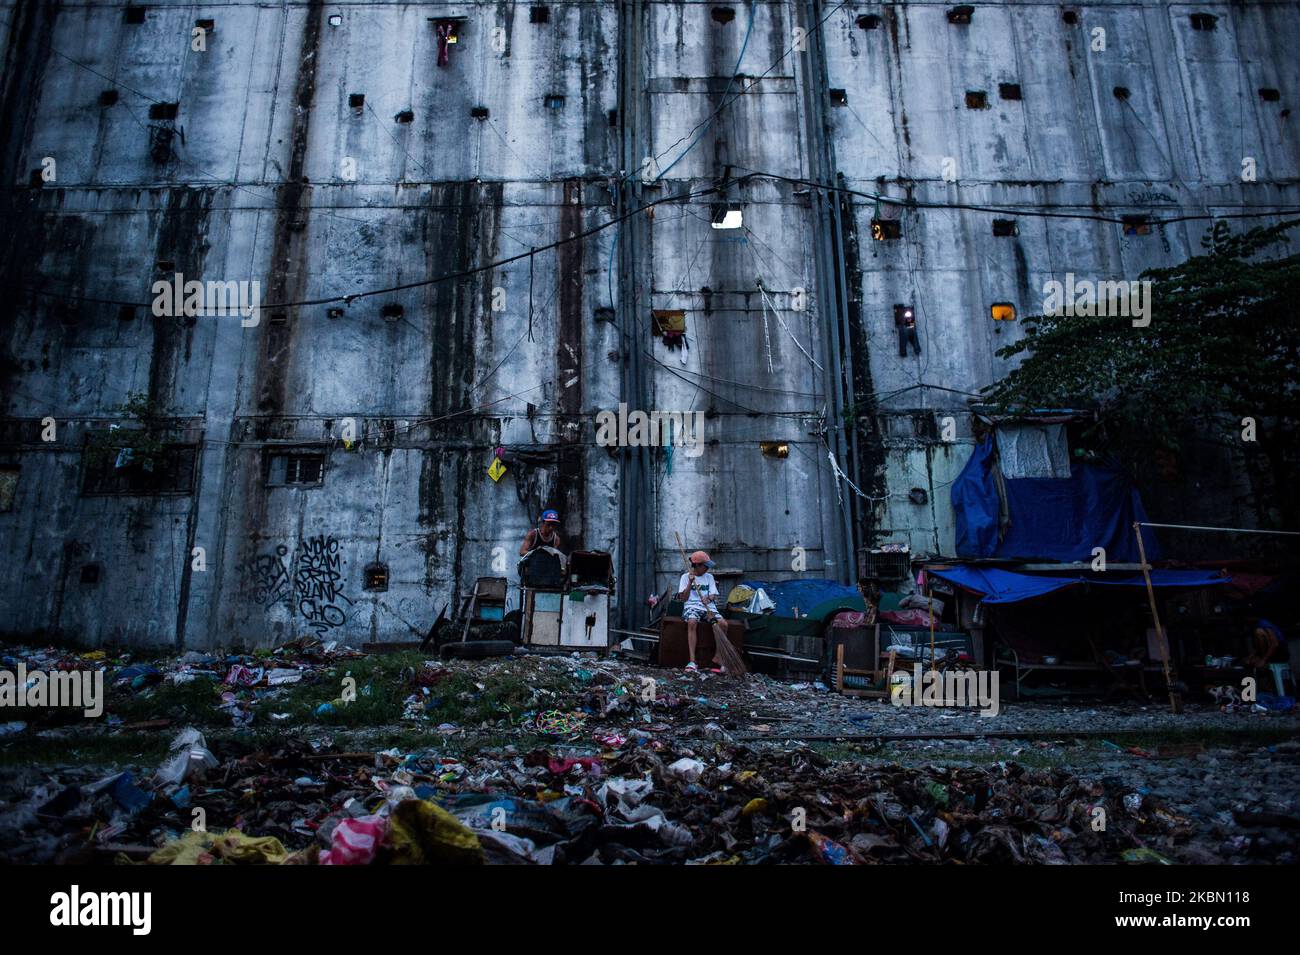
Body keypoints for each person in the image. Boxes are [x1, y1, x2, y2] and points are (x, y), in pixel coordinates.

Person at [676, 550, 727, 672]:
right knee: (692, 621)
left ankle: (718, 656)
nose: (708, 568)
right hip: (692, 606)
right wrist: (690, 583)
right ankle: (692, 661)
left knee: (723, 624)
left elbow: (713, 594)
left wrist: (708, 598)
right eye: (705, 566)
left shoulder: (709, 577)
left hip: (708, 608)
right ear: (697, 565)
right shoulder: (685, 577)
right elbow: (684, 598)